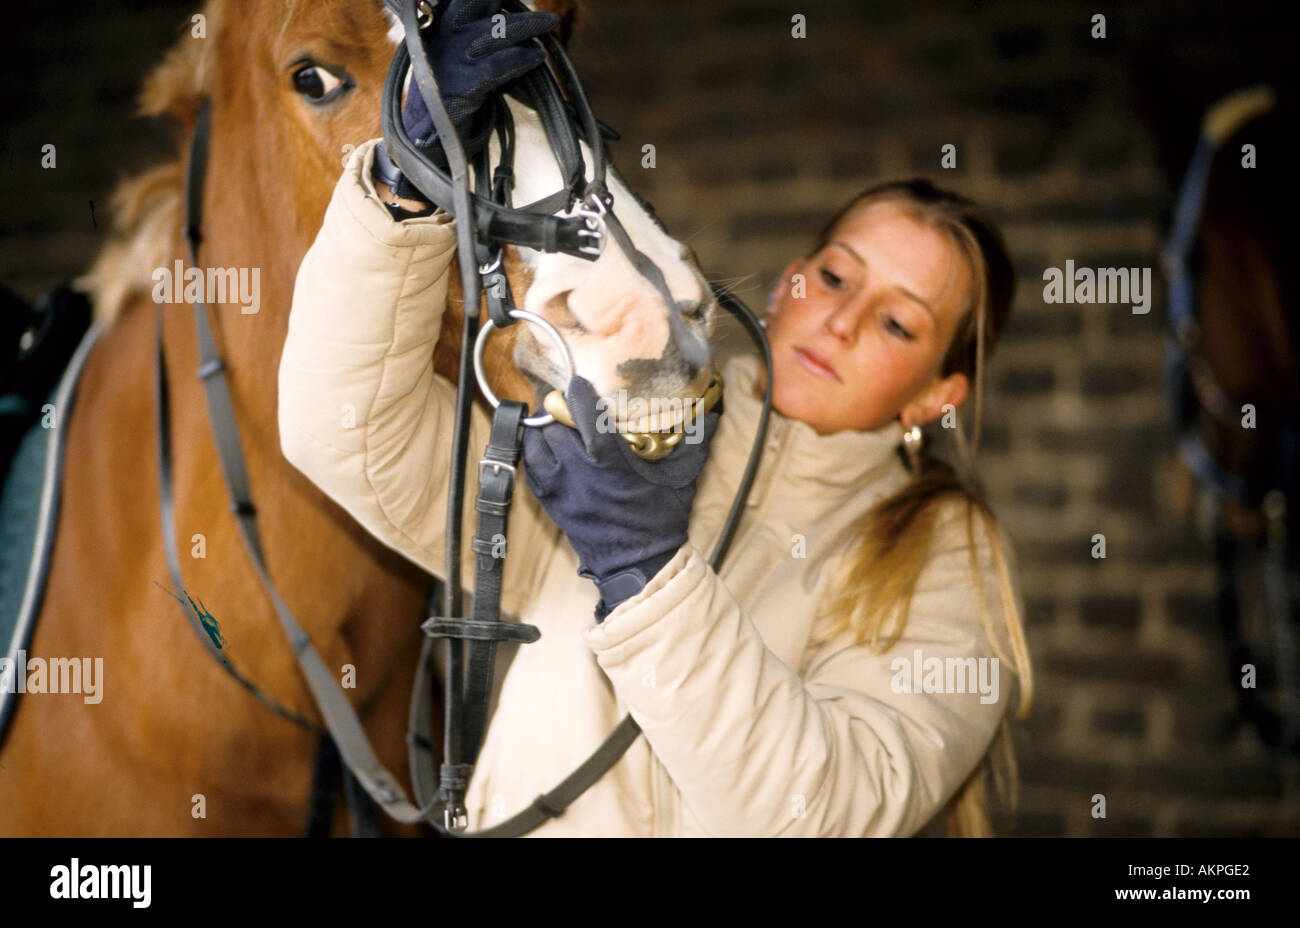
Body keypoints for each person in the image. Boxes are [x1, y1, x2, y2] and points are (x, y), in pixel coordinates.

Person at [278, 0, 1033, 836]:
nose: (844, 322)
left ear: (937, 396)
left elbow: (819, 816)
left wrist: (645, 571)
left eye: (897, 323)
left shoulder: (946, 555)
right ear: (789, 283)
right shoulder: (628, 420)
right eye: (835, 278)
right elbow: (341, 430)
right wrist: (404, 183)